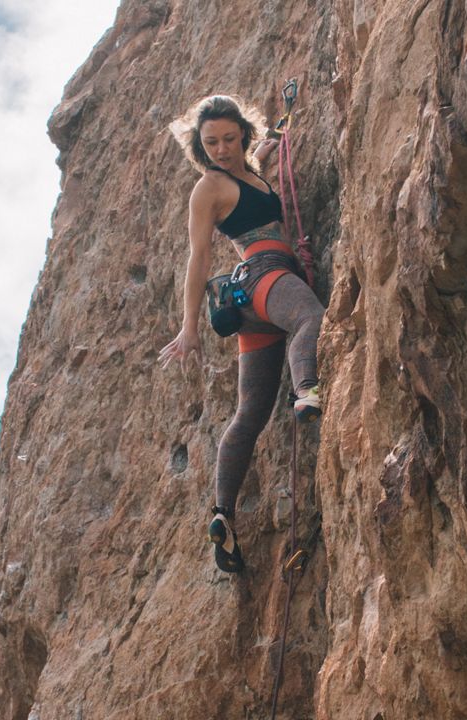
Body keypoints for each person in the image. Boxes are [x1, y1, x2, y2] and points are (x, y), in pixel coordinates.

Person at [158, 95, 325, 573]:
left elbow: (257, 168)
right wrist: (188, 328)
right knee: (310, 318)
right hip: (261, 274)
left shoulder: (247, 171)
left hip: (253, 300)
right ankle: (308, 389)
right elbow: (199, 257)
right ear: (199, 144)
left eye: (230, 139)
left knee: (250, 410)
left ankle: (222, 516)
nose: (222, 149)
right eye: (211, 142)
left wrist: (273, 137)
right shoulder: (209, 187)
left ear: (243, 137)